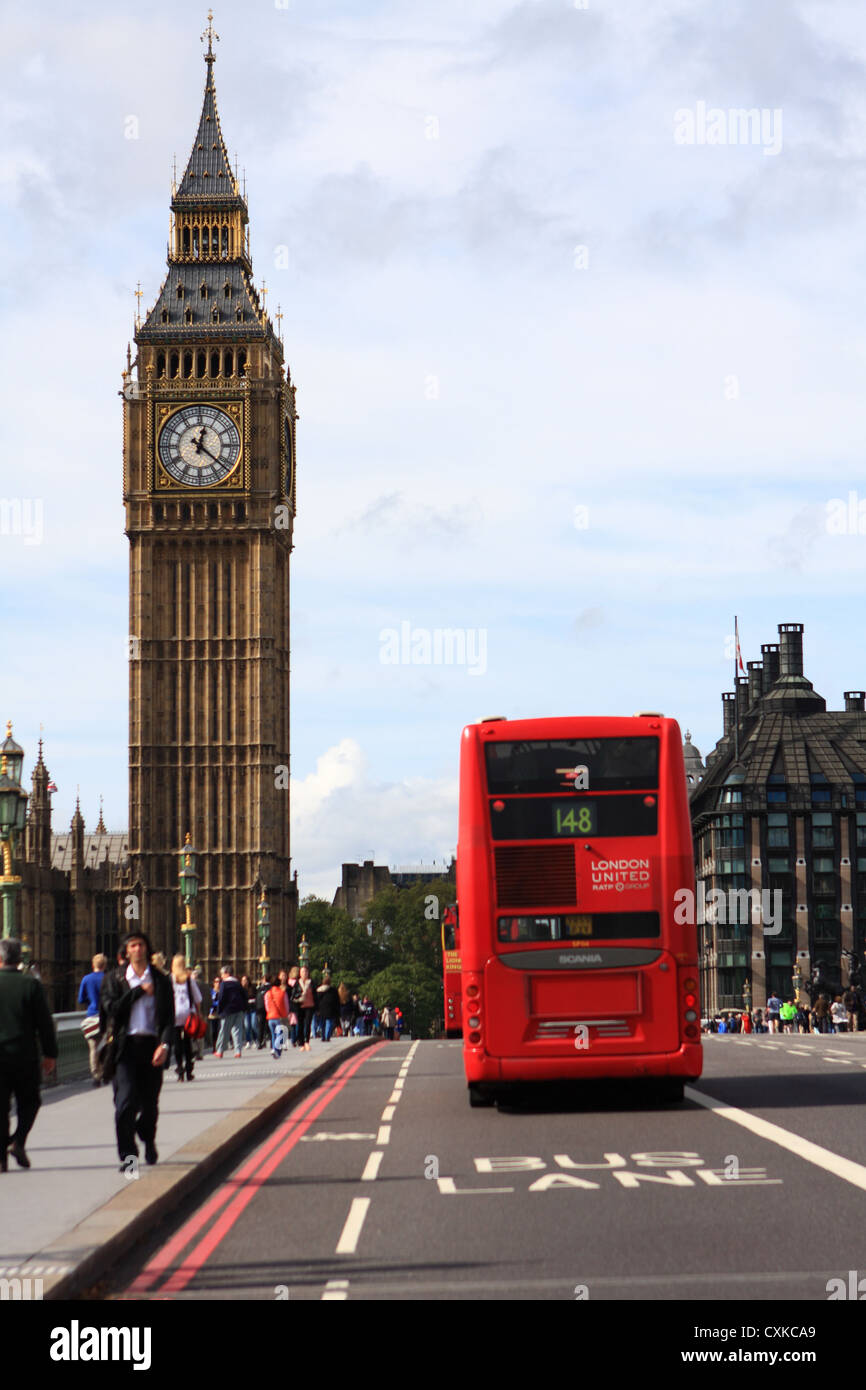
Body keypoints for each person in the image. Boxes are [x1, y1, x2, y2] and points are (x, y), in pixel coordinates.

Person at [100, 932, 174, 1170]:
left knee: (150, 1105)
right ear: (127, 951)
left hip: (152, 1047)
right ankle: (129, 1157)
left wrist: (165, 1044)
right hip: (124, 1047)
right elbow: (112, 1009)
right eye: (133, 945)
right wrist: (139, 991)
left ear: (147, 949)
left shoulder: (162, 981)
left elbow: (169, 1019)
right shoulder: (114, 978)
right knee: (125, 1103)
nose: (138, 949)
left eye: (142, 945)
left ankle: (148, 1138)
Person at [0, 938, 57, 1171]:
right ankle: (18, 1141)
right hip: (25, 1056)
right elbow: (44, 1023)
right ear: (19, 959)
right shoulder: (31, 984)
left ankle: (2, 1158)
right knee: (30, 1102)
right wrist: (50, 1053)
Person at [171, 954, 202, 1082]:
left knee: (177, 1043)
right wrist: (199, 1013)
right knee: (188, 1043)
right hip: (188, 1013)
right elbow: (198, 999)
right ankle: (189, 1070)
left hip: (175, 1014)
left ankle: (180, 1071)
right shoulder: (189, 979)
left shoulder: (170, 979)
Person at [78, 953, 107, 1086]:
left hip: (91, 1015)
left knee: (93, 1048)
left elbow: (81, 999)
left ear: (93, 964)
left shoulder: (86, 979)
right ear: (104, 965)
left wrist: (91, 1001)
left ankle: (96, 1075)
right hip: (106, 1016)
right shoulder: (108, 978)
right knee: (105, 1045)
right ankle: (105, 1071)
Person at [215, 966, 246, 1058]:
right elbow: (244, 996)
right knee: (237, 1030)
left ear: (227, 973)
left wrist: (219, 1010)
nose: (221, 976)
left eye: (222, 974)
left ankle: (220, 1051)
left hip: (227, 1010)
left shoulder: (224, 984)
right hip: (239, 1009)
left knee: (224, 1031)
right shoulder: (238, 983)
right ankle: (238, 1051)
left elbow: (221, 998)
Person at [265, 976, 289, 1057]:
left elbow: (267, 1006)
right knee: (280, 1035)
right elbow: (286, 1005)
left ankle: (277, 1052)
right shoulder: (283, 993)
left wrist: (269, 1012)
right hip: (280, 1016)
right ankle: (275, 1049)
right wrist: (286, 1013)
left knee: (273, 1034)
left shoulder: (268, 993)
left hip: (270, 1017)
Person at [292, 966, 315, 1051]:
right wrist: (300, 995)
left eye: (305, 972)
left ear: (308, 973)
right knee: (300, 1024)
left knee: (308, 1024)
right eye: (302, 972)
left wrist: (317, 1006)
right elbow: (293, 995)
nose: (304, 973)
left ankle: (307, 1042)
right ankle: (301, 1043)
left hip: (310, 1005)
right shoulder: (297, 983)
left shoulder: (311, 982)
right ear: (300, 974)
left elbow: (315, 994)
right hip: (300, 1006)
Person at [316, 974, 341, 1042]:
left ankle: (323, 1036)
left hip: (321, 1009)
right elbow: (337, 1000)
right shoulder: (333, 990)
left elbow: (316, 1000)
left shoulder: (318, 990)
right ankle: (327, 1036)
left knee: (323, 1023)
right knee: (329, 1023)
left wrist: (317, 1009)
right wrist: (337, 1010)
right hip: (330, 1009)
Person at [255, 973, 271, 1049]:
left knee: (261, 1026)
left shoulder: (261, 988)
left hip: (261, 1008)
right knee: (268, 1026)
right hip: (268, 1009)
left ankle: (260, 1041)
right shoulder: (269, 987)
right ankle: (270, 1041)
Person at [241, 975, 257, 1048]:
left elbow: (256, 996)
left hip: (253, 1008)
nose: (244, 982)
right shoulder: (241, 989)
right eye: (243, 980)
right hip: (245, 1010)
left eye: (245, 980)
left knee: (253, 1024)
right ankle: (248, 1041)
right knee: (247, 1026)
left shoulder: (252, 988)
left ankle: (255, 1039)